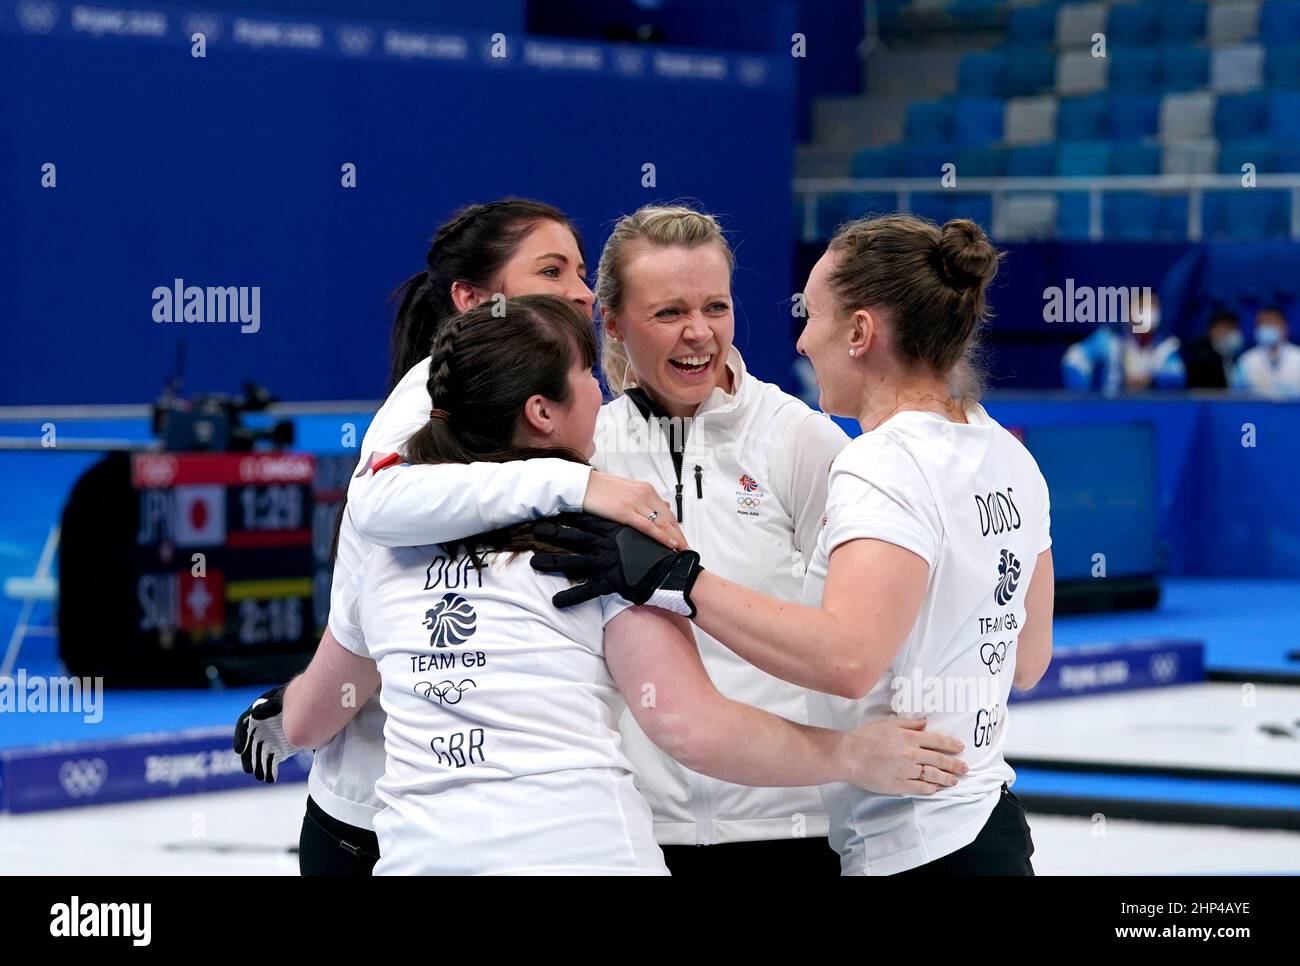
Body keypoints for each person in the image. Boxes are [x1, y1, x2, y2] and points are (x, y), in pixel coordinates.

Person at [256, 203, 892, 876]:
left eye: (717, 306)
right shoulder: (583, 481)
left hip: (780, 819)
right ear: (612, 329)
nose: (699, 332)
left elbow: (858, 636)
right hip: (625, 834)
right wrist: (584, 489)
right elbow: (687, 723)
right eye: (669, 312)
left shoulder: (797, 440)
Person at [533, 216, 1054, 876]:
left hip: (872, 829)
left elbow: (848, 658)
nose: (801, 339)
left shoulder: (858, 457)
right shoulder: (1006, 452)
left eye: (810, 317)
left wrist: (678, 580)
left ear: (861, 333)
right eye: (668, 311)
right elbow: (1027, 659)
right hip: (962, 820)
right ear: (614, 323)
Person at [235, 198, 685, 875]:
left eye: (582, 271)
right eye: (551, 271)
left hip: (435, 819)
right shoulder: (427, 400)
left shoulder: (552, 433)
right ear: (472, 300)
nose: (581, 291)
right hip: (383, 817)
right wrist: (579, 489)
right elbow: (377, 508)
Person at [1061, 292, 1186, 393]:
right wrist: (1083, 397)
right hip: (1113, 412)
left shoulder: (1166, 346)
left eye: (1154, 307)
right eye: (1144, 306)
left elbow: (1177, 375)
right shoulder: (1109, 339)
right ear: (1130, 309)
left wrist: (1150, 381)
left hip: (1154, 415)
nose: (1150, 312)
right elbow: (1074, 359)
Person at [1237, 306, 1300, 399]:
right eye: (1262, 323)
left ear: (1285, 327)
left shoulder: (1298, 356)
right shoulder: (1246, 361)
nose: (1267, 327)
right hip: (1258, 412)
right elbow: (1237, 398)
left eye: (1272, 322)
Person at [1182, 309, 1244, 390]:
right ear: (1214, 329)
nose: (1232, 334)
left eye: (1235, 329)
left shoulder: (1235, 354)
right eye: (1228, 328)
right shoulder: (1198, 355)